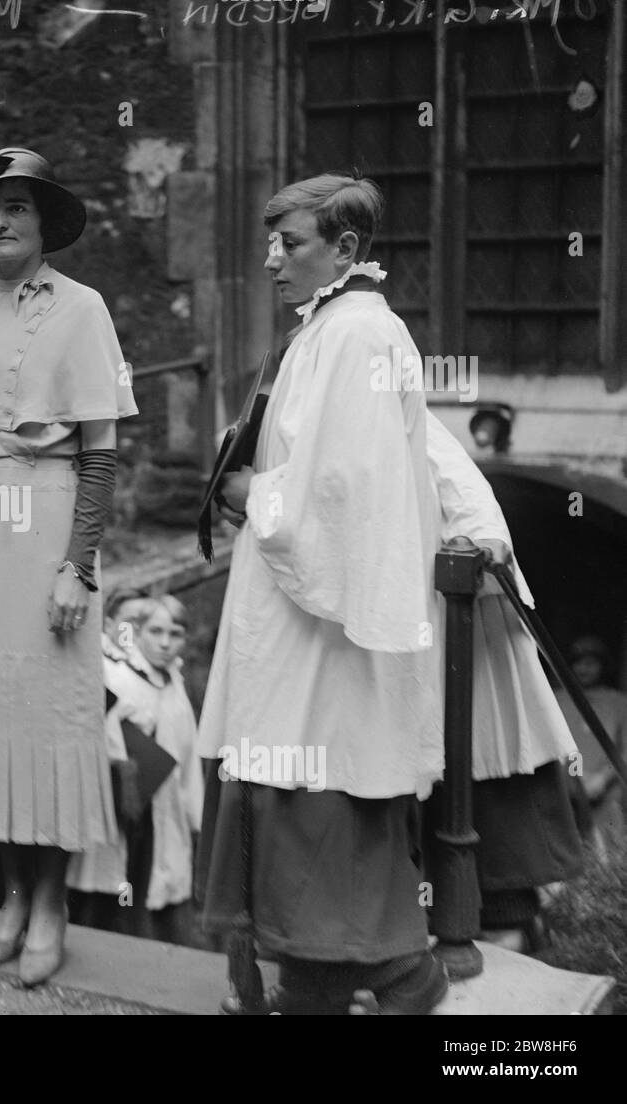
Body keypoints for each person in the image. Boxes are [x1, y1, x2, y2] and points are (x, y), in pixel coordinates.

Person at [198, 174, 447, 1014]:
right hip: (287, 604)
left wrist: (248, 497)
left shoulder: (360, 338)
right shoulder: (326, 330)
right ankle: (307, 976)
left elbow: (345, 490)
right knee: (287, 772)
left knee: (321, 781)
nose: (271, 259)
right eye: (270, 242)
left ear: (345, 249)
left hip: (322, 620)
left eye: (290, 243)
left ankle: (369, 975)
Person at [0, 147, 138, 986]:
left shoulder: (85, 311)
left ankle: (52, 908)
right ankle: (12, 902)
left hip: (44, 523)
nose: (0, 221)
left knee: (46, 723)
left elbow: (100, 457)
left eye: (16, 207)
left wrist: (75, 569)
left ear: (45, 222)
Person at [422, 413, 582, 948]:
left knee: (489, 792)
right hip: (405, 655)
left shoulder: (416, 428)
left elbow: (469, 499)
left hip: (466, 631)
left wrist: (482, 545)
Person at [68, 595, 203, 945]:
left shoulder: (175, 684)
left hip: (167, 804)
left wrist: (194, 817)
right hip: (130, 806)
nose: (164, 642)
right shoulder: (119, 676)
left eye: (175, 633)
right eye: (155, 631)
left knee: (161, 891)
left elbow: (187, 754)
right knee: (122, 888)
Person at [555, 634, 627, 854]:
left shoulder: (617, 702)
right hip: (565, 789)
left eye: (591, 663)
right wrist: (576, 778)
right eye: (578, 662)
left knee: (606, 856)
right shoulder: (558, 699)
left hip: (605, 789)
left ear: (602, 666)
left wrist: (602, 778)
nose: (583, 669)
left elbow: (624, 749)